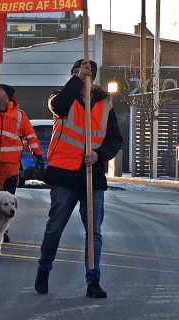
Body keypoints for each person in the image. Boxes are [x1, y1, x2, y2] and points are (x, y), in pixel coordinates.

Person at [35, 59, 122, 299]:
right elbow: (59, 106)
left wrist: (99, 154)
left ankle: (93, 280)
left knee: (94, 232)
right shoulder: (60, 97)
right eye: (75, 72)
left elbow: (115, 139)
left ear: (93, 76)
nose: (80, 75)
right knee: (55, 227)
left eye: (84, 72)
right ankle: (44, 268)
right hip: (65, 172)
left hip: (92, 174)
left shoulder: (105, 104)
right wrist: (76, 80)